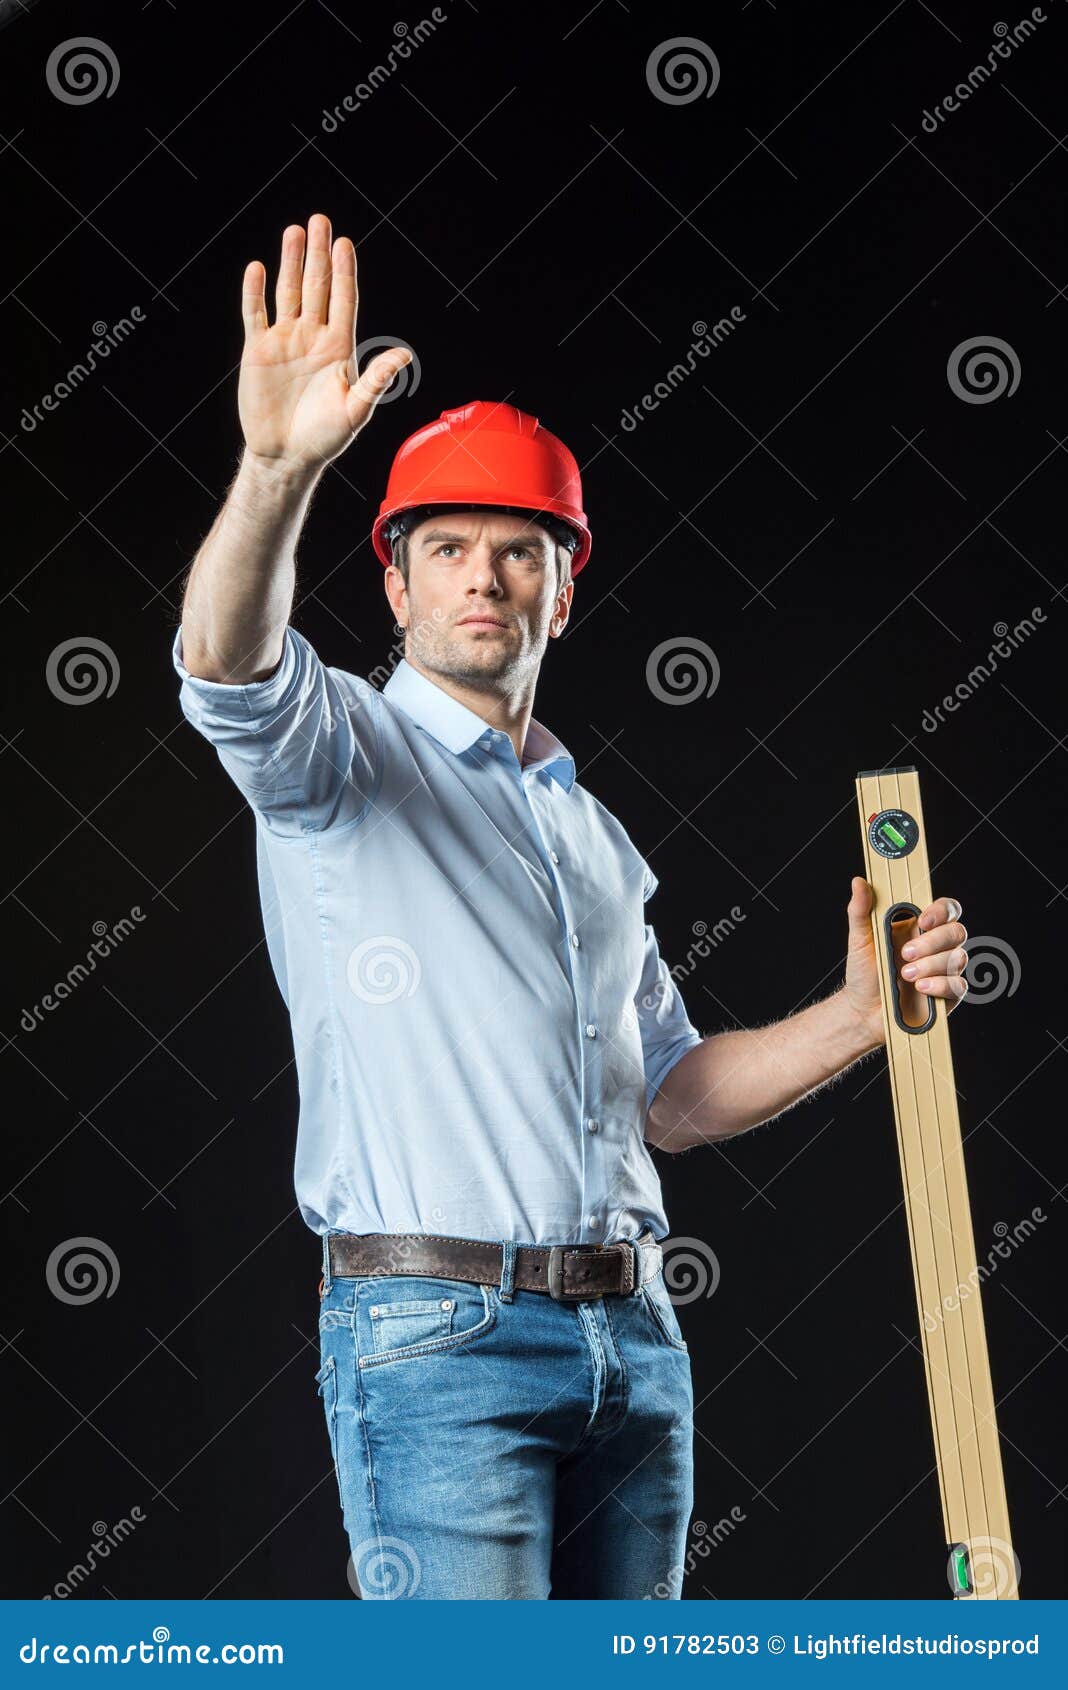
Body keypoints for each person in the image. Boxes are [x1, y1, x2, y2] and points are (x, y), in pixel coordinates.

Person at [172, 213, 970, 1600]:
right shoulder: (342, 757)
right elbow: (229, 663)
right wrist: (274, 472)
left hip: (635, 1336)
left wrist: (858, 1018)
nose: (485, 574)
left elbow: (670, 1089)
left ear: (564, 584)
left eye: (520, 548)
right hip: (436, 1334)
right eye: (450, 546)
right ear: (395, 576)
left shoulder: (589, 834)